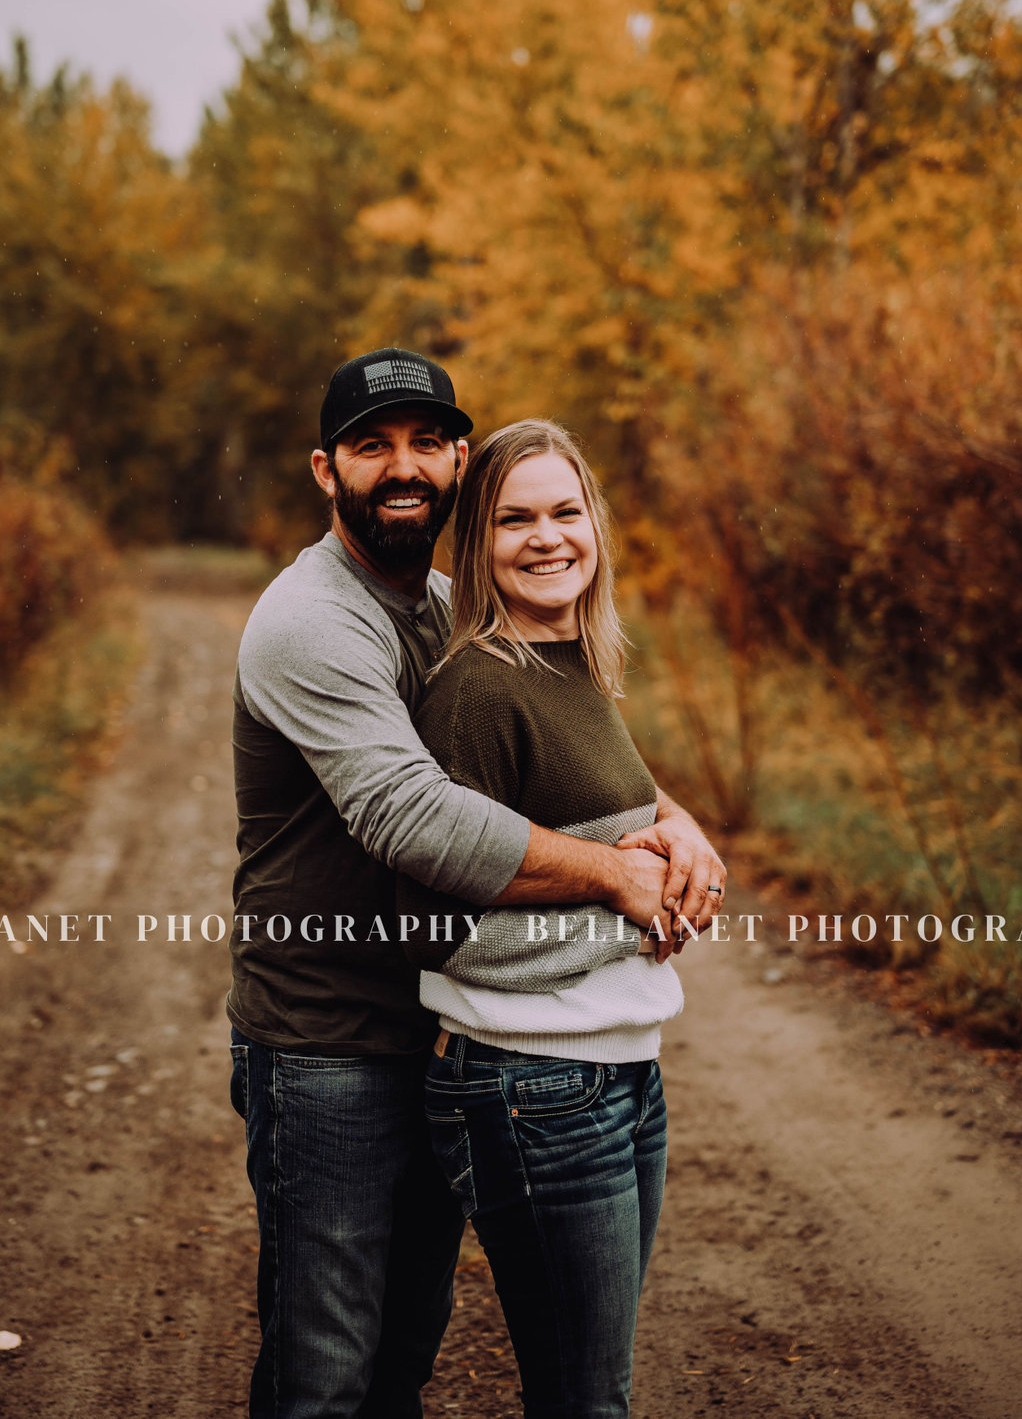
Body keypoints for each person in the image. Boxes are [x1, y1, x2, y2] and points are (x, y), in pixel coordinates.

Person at [228, 347, 726, 1419]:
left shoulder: (451, 602)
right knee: (325, 1364)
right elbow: (414, 815)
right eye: (371, 446)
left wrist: (675, 825)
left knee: (401, 1350)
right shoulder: (312, 619)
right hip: (325, 1036)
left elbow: (570, 755)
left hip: (439, 1026)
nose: (400, 466)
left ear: (458, 457)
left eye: (423, 441)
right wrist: (618, 878)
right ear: (326, 469)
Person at [400, 418, 693, 1418]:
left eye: (564, 511)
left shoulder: (574, 659)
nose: (545, 536)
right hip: (531, 1085)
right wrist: (625, 899)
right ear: (474, 543)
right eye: (512, 518)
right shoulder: (477, 689)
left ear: (594, 526)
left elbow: (622, 821)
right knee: (583, 1399)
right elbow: (435, 920)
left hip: (617, 1069)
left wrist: (676, 841)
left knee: (591, 1390)